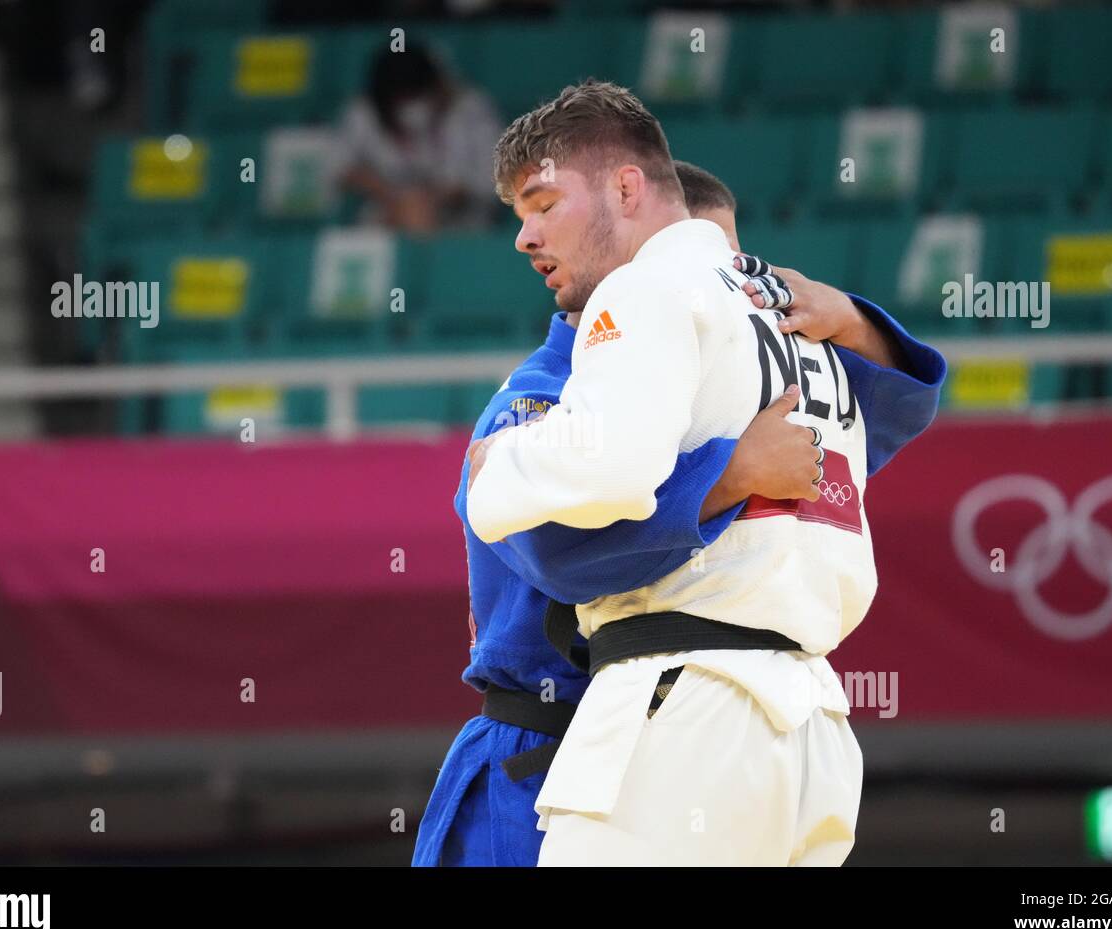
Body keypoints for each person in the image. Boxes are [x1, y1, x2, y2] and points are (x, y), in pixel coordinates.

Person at [465, 81, 947, 866]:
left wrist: (502, 468)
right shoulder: (798, 328)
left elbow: (609, 470)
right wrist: (733, 470)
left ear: (628, 189)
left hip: (680, 700)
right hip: (809, 726)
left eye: (544, 204)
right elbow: (901, 408)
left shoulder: (652, 290)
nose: (525, 237)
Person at [335, 47, 502, 232]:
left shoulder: (471, 109)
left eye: (415, 95)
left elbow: (490, 180)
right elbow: (342, 167)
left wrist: (435, 199)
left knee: (419, 214)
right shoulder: (364, 112)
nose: (410, 107)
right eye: (401, 99)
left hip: (462, 220)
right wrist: (390, 195)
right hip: (388, 212)